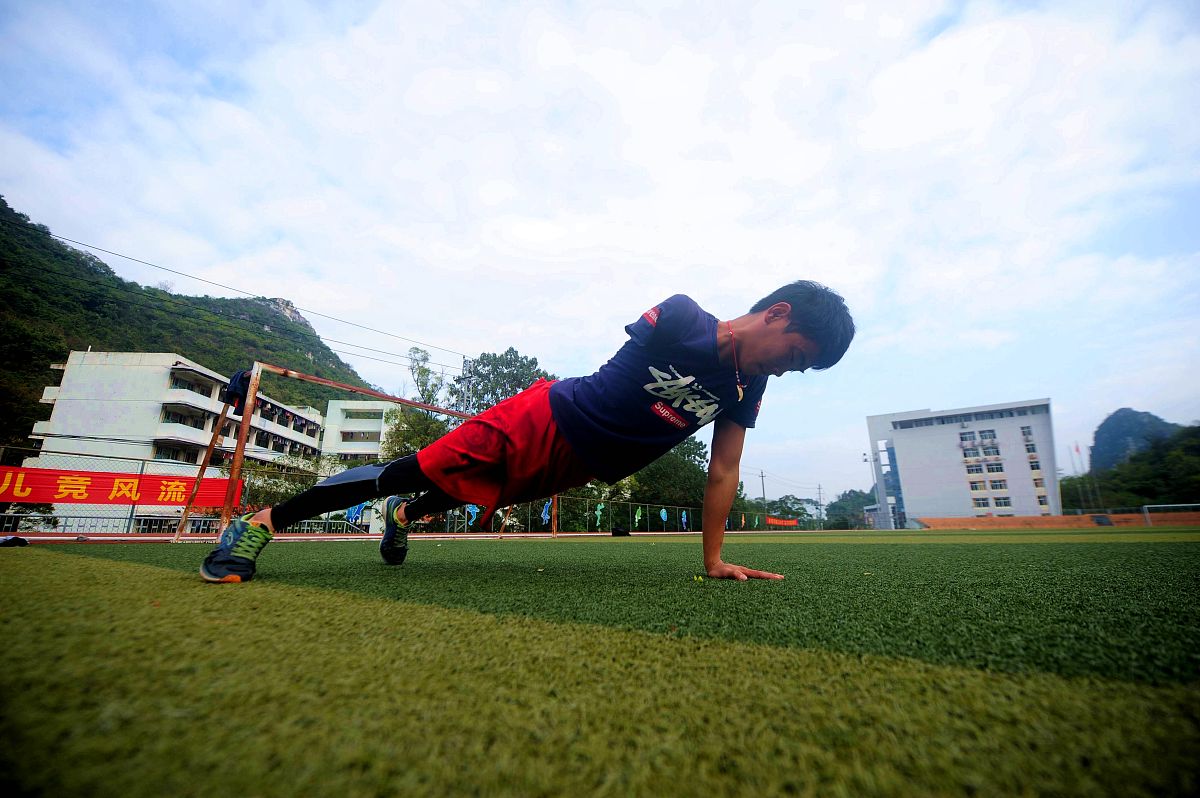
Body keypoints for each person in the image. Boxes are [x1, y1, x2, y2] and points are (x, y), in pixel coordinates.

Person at [200, 280, 855, 584]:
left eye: (799, 369)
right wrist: (717, 352)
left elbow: (724, 470)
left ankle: (404, 515)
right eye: (794, 355)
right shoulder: (684, 316)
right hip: (540, 420)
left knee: (462, 496)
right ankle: (258, 522)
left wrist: (711, 561)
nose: (787, 370)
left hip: (577, 465)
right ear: (777, 313)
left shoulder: (749, 388)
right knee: (412, 469)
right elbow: (665, 352)